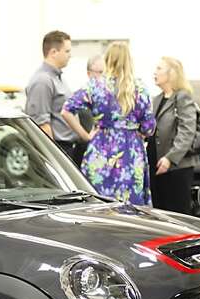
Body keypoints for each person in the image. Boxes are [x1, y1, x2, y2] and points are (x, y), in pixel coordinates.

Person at [62, 42, 155, 205]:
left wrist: (85, 135)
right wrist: (136, 131)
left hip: (100, 149)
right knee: (131, 206)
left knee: (97, 204)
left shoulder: (95, 86)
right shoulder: (140, 88)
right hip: (131, 152)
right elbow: (149, 127)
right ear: (129, 60)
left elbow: (66, 110)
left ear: (108, 60)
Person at [24, 30, 90, 164]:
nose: (70, 55)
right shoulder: (43, 81)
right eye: (67, 51)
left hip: (67, 148)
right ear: (53, 52)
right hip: (57, 149)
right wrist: (53, 159)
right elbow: (42, 124)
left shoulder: (58, 78)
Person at [149, 57, 200, 214]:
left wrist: (170, 159)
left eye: (159, 68)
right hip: (157, 165)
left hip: (176, 168)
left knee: (177, 212)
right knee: (159, 212)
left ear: (171, 73)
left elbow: (187, 131)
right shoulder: (157, 99)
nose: (154, 72)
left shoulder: (182, 97)